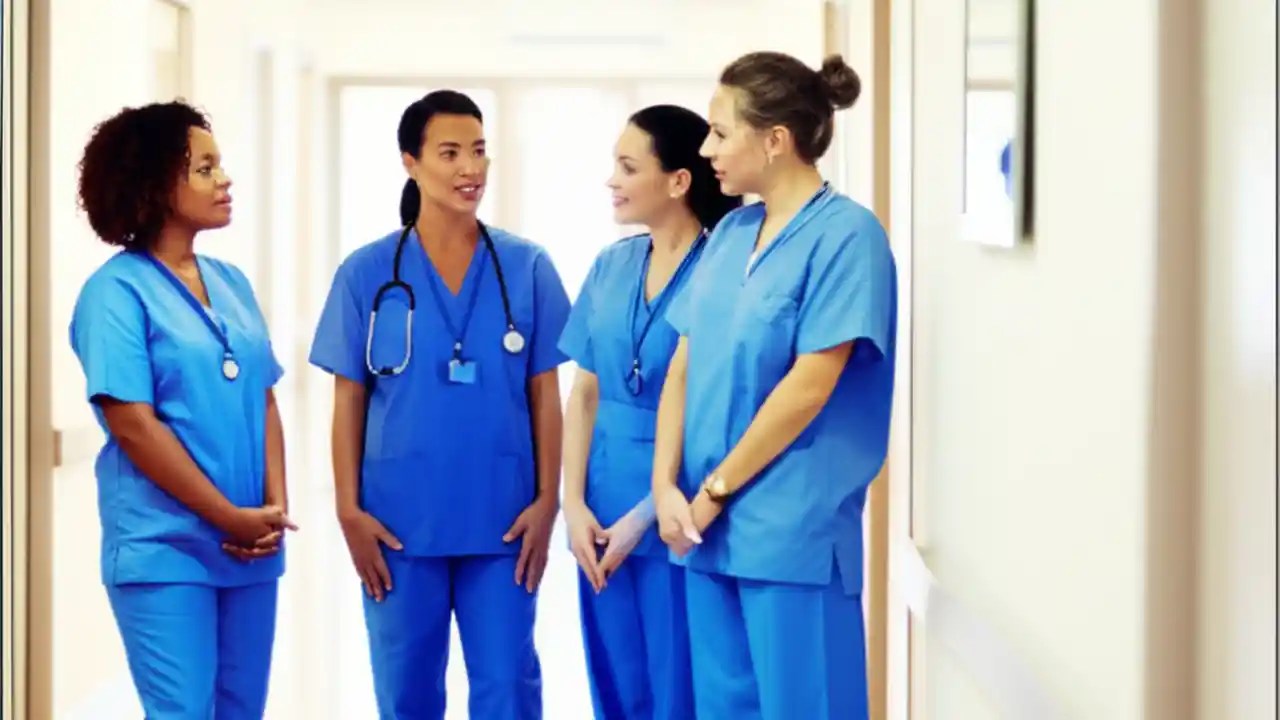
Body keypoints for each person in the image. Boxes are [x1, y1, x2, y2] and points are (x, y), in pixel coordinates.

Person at [309, 89, 570, 719]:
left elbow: (546, 394)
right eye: (450, 153)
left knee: (507, 687)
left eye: (479, 151)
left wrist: (547, 500)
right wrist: (347, 509)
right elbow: (349, 398)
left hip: (504, 521)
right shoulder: (367, 272)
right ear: (410, 162)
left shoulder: (526, 266)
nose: (469, 169)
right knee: (406, 693)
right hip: (398, 526)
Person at [650, 52, 896, 720]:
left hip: (791, 537)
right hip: (705, 537)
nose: (707, 150)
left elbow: (809, 386)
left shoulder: (848, 237)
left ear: (776, 140)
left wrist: (712, 493)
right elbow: (683, 361)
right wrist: (664, 485)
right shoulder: (730, 233)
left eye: (721, 132)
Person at [69, 100, 295, 719]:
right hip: (165, 549)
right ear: (154, 182)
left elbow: (263, 397)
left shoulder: (232, 283)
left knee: (240, 710)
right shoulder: (114, 293)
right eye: (204, 168)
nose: (225, 180)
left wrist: (271, 509)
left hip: (249, 546)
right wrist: (227, 515)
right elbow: (134, 427)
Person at [559, 105, 741, 720]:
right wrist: (573, 504)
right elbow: (583, 393)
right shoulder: (611, 265)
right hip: (598, 519)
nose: (612, 179)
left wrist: (646, 512)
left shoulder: (725, 270)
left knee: (676, 694)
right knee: (616, 689)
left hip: (674, 516)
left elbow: (719, 410)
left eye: (627, 166)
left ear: (679, 181)